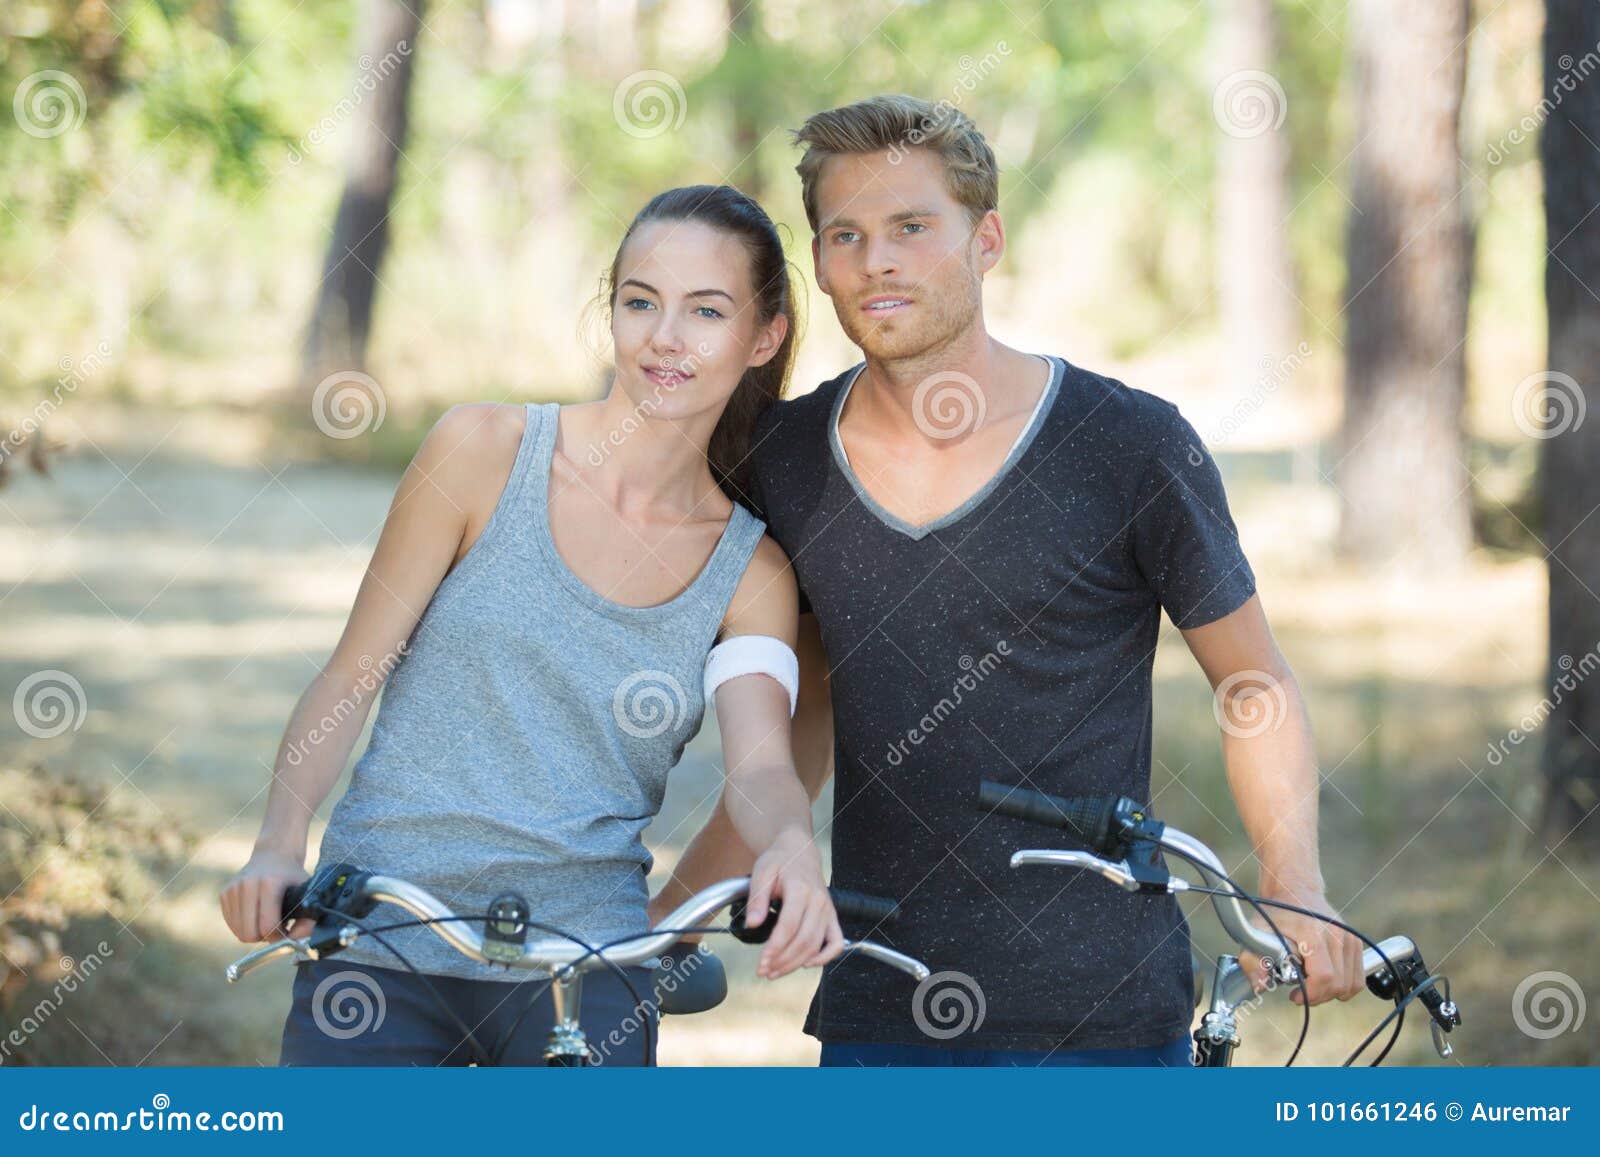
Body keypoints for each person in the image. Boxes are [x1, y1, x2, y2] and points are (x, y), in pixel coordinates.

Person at [652, 95, 1367, 1067]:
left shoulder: (1128, 444)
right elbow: (804, 715)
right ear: (817, 261)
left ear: (985, 238)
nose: (877, 261)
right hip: (878, 1007)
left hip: (1104, 1013)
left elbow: (1251, 683)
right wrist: (664, 926)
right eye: (845, 234)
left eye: (912, 227)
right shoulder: (782, 462)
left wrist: (1294, 886)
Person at [221, 184, 843, 1066]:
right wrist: (279, 841)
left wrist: (788, 842)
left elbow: (760, 766)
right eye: (641, 302)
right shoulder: (482, 452)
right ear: (613, 311)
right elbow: (351, 675)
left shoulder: (751, 570)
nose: (665, 337)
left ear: (763, 337)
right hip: (383, 930)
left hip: (585, 967)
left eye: (706, 311)